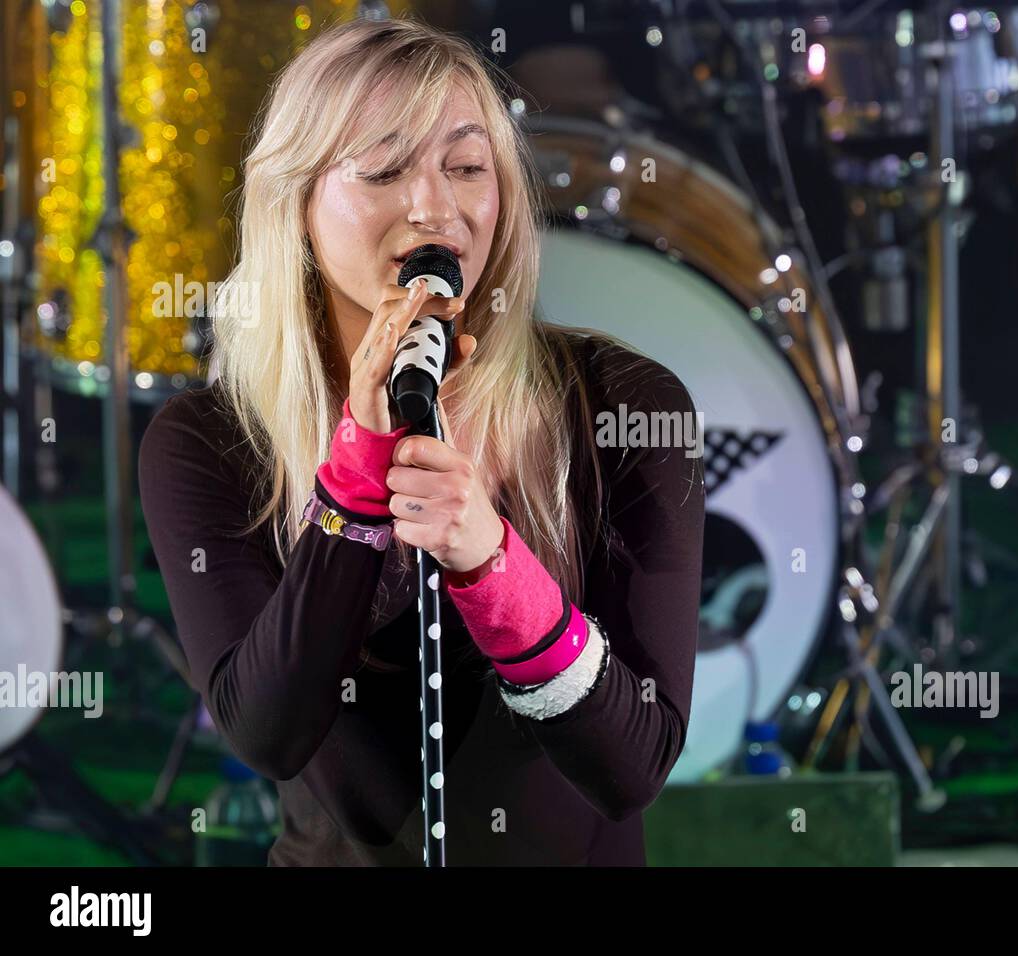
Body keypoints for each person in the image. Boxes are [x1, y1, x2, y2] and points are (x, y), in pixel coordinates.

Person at [138, 16, 705, 866]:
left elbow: (632, 767)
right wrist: (356, 481)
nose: (435, 207)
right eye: (386, 169)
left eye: (468, 167)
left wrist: (491, 562)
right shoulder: (210, 440)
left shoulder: (624, 408)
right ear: (294, 203)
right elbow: (270, 733)